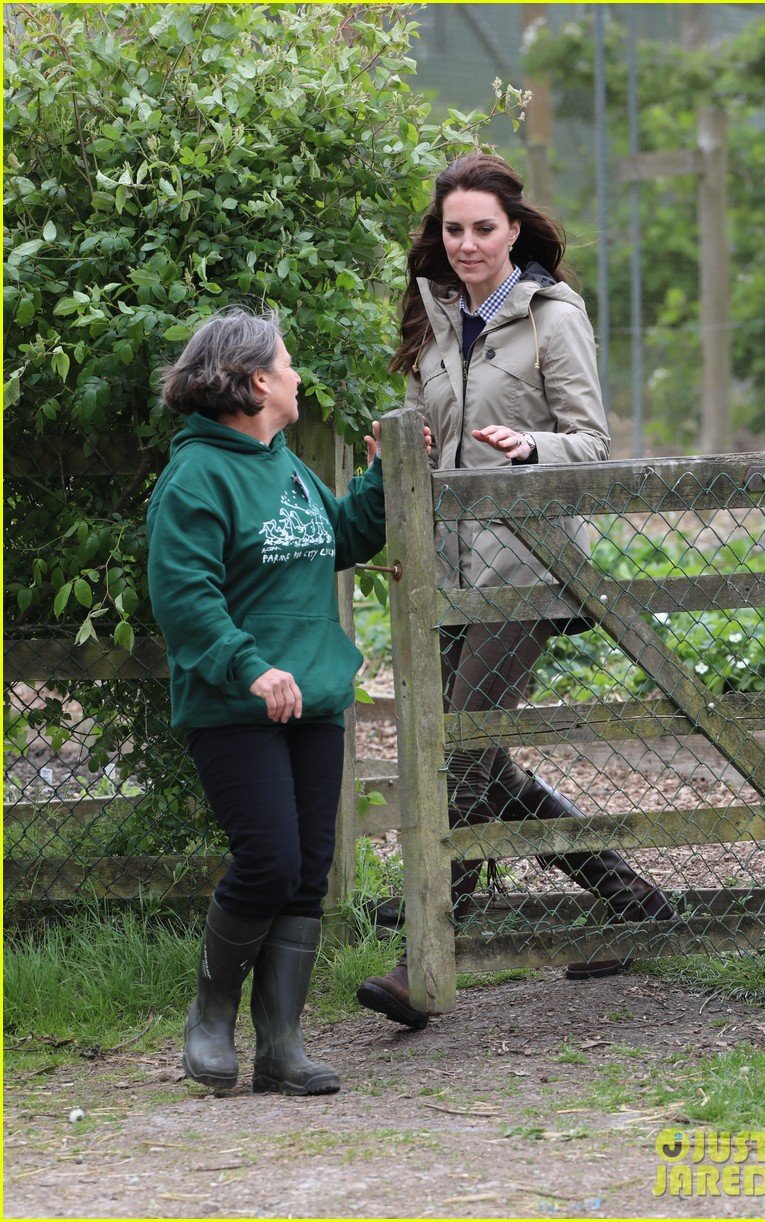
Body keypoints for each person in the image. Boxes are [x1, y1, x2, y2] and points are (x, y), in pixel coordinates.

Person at [357, 151, 675, 1030]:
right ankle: (632, 899)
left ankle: (431, 947)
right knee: (479, 753)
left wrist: (533, 449)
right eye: (453, 229)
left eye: (483, 229)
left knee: (464, 750)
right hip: (444, 570)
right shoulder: (432, 316)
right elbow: (435, 439)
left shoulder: (551, 316)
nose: (466, 244)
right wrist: (408, 455)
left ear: (514, 229)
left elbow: (592, 440)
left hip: (528, 567)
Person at [148, 306, 391, 1095]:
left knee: (308, 872)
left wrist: (384, 476)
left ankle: (280, 1046)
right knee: (268, 860)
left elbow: (343, 538)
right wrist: (250, 667)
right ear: (256, 384)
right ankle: (210, 1019)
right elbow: (184, 598)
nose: (296, 377)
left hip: (313, 697)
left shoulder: (285, 462)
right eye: (286, 365)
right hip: (233, 705)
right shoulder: (197, 476)